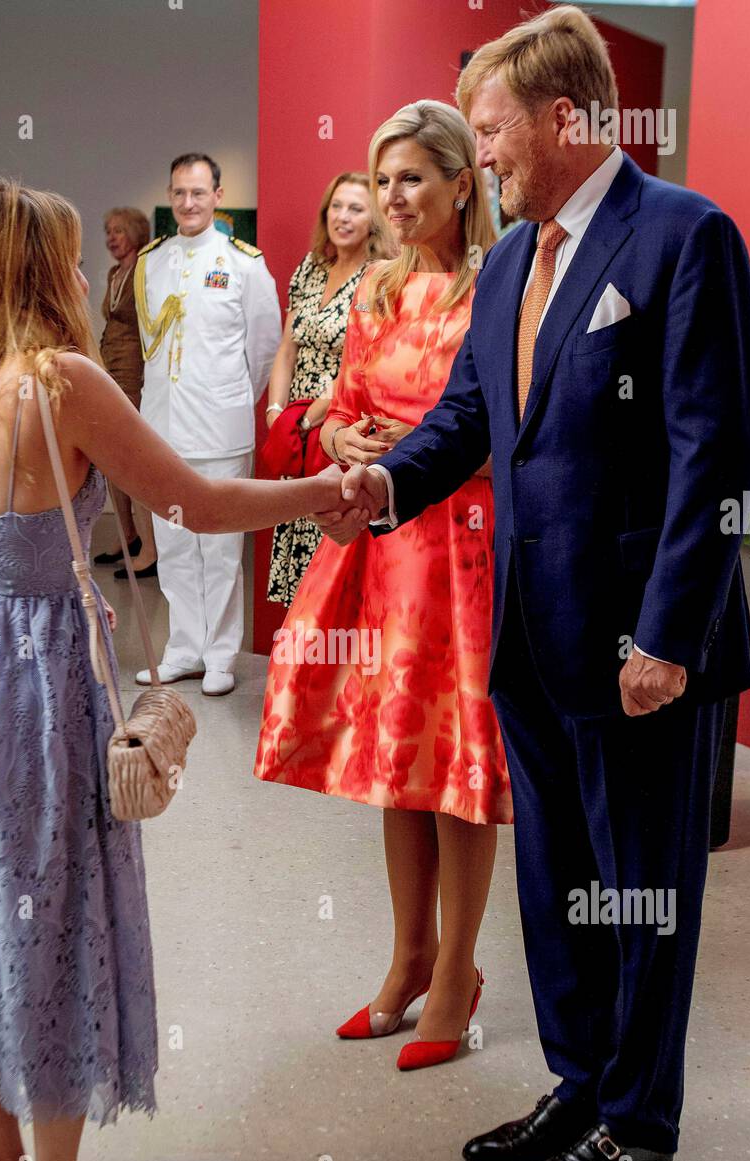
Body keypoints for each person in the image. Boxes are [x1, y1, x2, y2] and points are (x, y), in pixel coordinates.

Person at [0, 177, 369, 1161]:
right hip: (41, 673)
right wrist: (320, 490)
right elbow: (198, 502)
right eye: (71, 257)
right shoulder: (61, 380)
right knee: (58, 915)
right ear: (36, 267)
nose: (88, 275)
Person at [337, 7, 750, 1161]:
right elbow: (476, 418)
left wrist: (670, 637)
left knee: (640, 888)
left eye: (489, 131)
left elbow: (717, 452)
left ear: (567, 118)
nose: (479, 159)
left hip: (640, 647)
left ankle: (638, 1121)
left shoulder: (687, 237)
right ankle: (578, 1083)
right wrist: (380, 485)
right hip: (529, 634)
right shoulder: (514, 260)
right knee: (558, 884)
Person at [255, 101, 512, 1071]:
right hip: (381, 543)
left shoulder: (497, 283)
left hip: (465, 549)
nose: (394, 198)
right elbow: (342, 404)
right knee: (395, 766)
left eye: (412, 178)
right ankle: (406, 959)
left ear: (461, 182)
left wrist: (410, 455)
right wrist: (340, 439)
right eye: (382, 179)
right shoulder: (373, 292)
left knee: (458, 772)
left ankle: (457, 971)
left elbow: (501, 425)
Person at [136, 152, 282, 696]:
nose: (188, 203)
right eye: (179, 193)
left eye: (198, 192)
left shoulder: (243, 262)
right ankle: (183, 649)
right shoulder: (151, 261)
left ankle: (221, 655)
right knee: (173, 545)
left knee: (220, 547)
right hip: (161, 428)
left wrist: (232, 396)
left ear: (218, 196)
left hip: (220, 428)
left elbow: (264, 347)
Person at [265, 172, 386, 607]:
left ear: (374, 218)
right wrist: (277, 412)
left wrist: (310, 417)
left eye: (356, 208)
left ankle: (333, 661)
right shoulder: (310, 267)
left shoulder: (381, 277)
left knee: (332, 543)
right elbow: (287, 346)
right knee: (297, 527)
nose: (344, 216)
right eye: (337, 206)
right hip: (296, 425)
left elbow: (366, 363)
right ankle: (301, 660)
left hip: (342, 424)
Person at [92, 205, 158, 579]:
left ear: (135, 232)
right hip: (109, 363)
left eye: (118, 230)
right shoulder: (115, 272)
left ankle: (149, 549)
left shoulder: (145, 269)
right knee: (111, 459)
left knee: (129, 455)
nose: (112, 237)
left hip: (135, 370)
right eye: (108, 230)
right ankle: (127, 535)